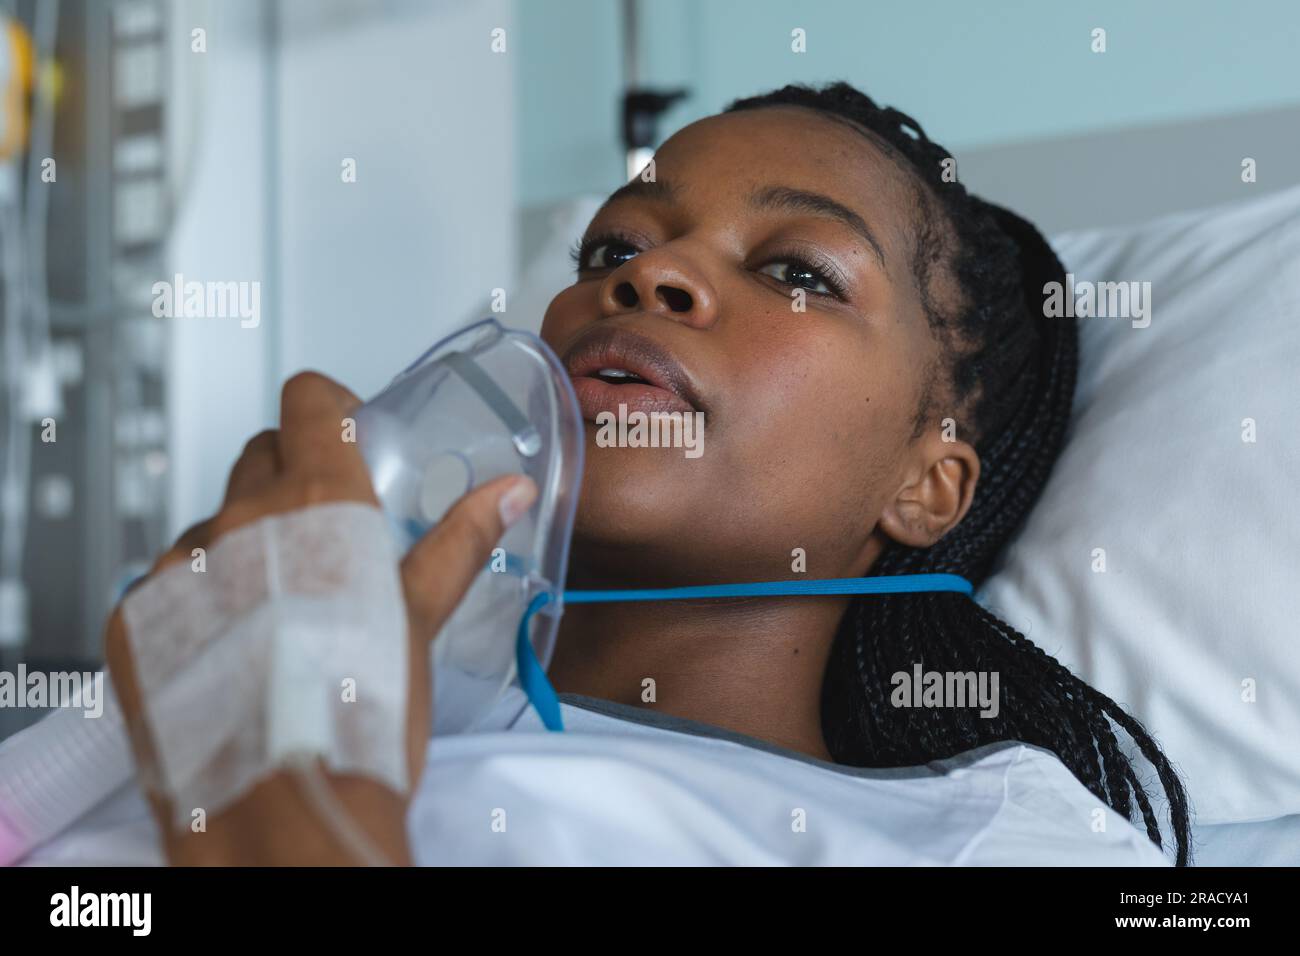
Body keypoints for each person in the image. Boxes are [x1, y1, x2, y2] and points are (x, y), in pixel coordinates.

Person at [97, 82, 1188, 867]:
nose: (651, 275)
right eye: (612, 251)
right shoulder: (324, 648)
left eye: (795, 269)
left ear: (925, 484)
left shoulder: (987, 841)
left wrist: (278, 774)